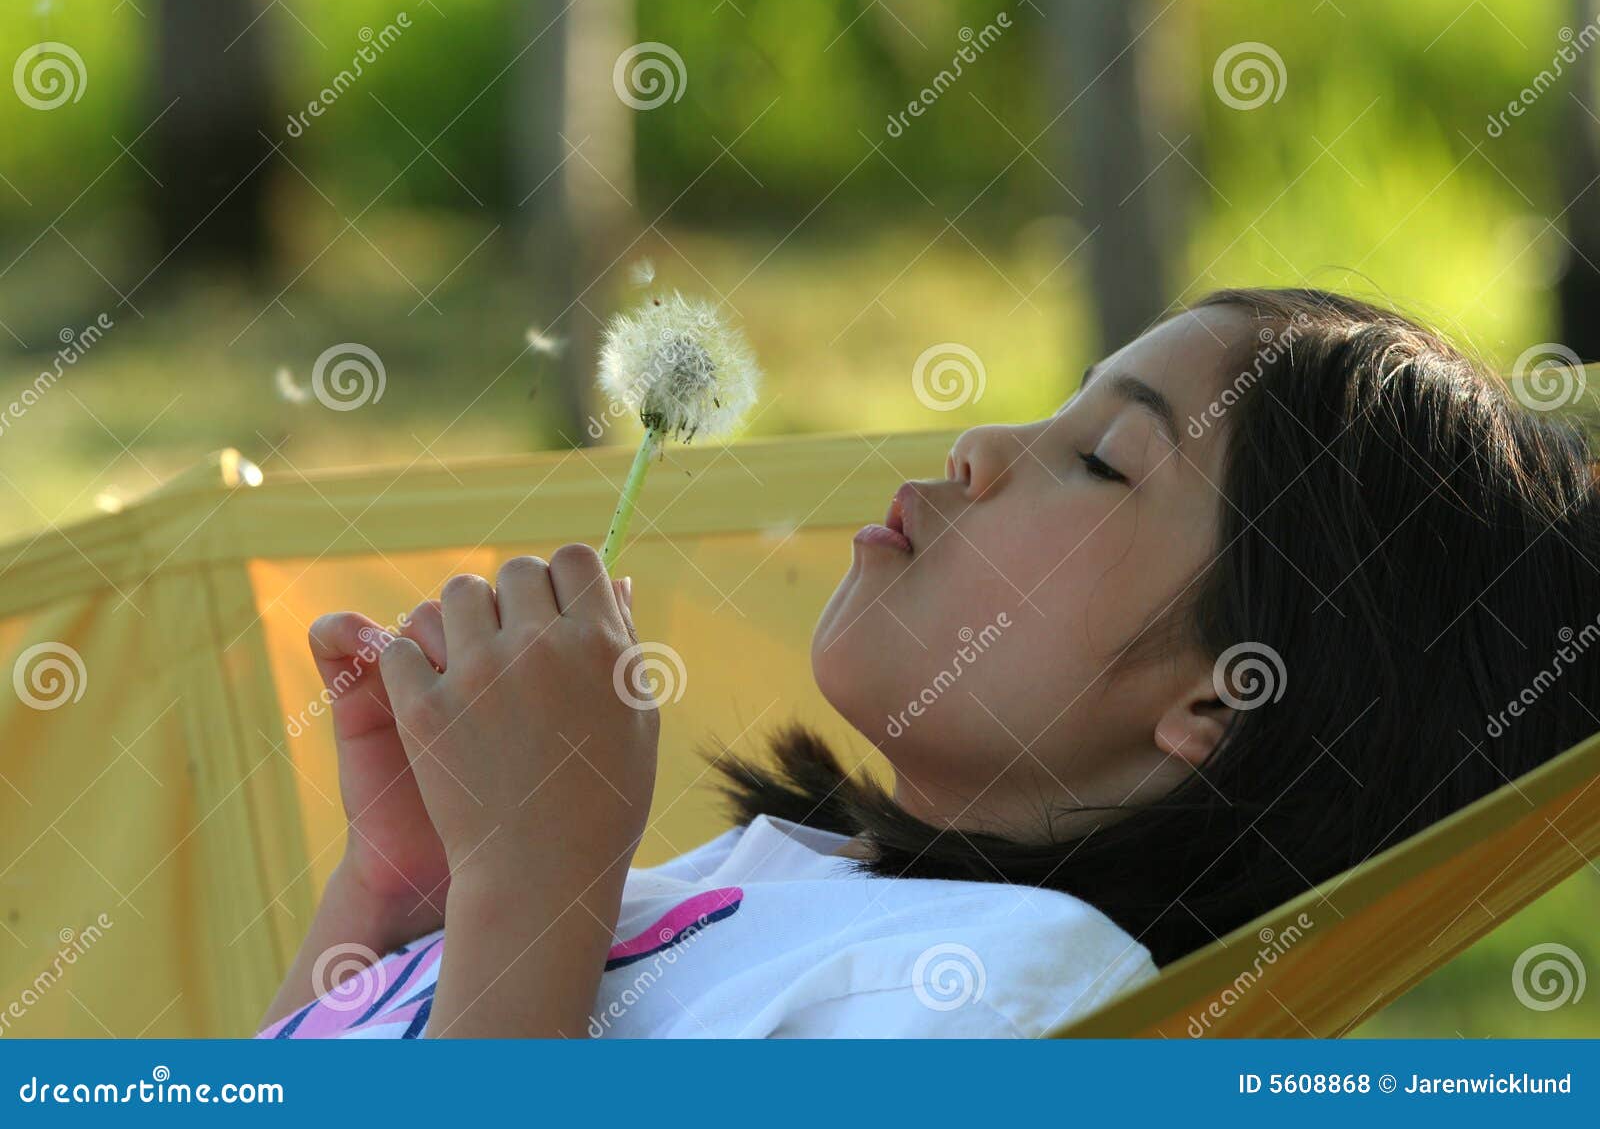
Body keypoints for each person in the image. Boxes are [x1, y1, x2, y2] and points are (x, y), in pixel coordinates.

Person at [256, 288, 1600, 1038]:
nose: (981, 446)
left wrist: (535, 886)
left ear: (1223, 693)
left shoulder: (1024, 994)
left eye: (1100, 459)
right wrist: (402, 897)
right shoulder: (759, 878)